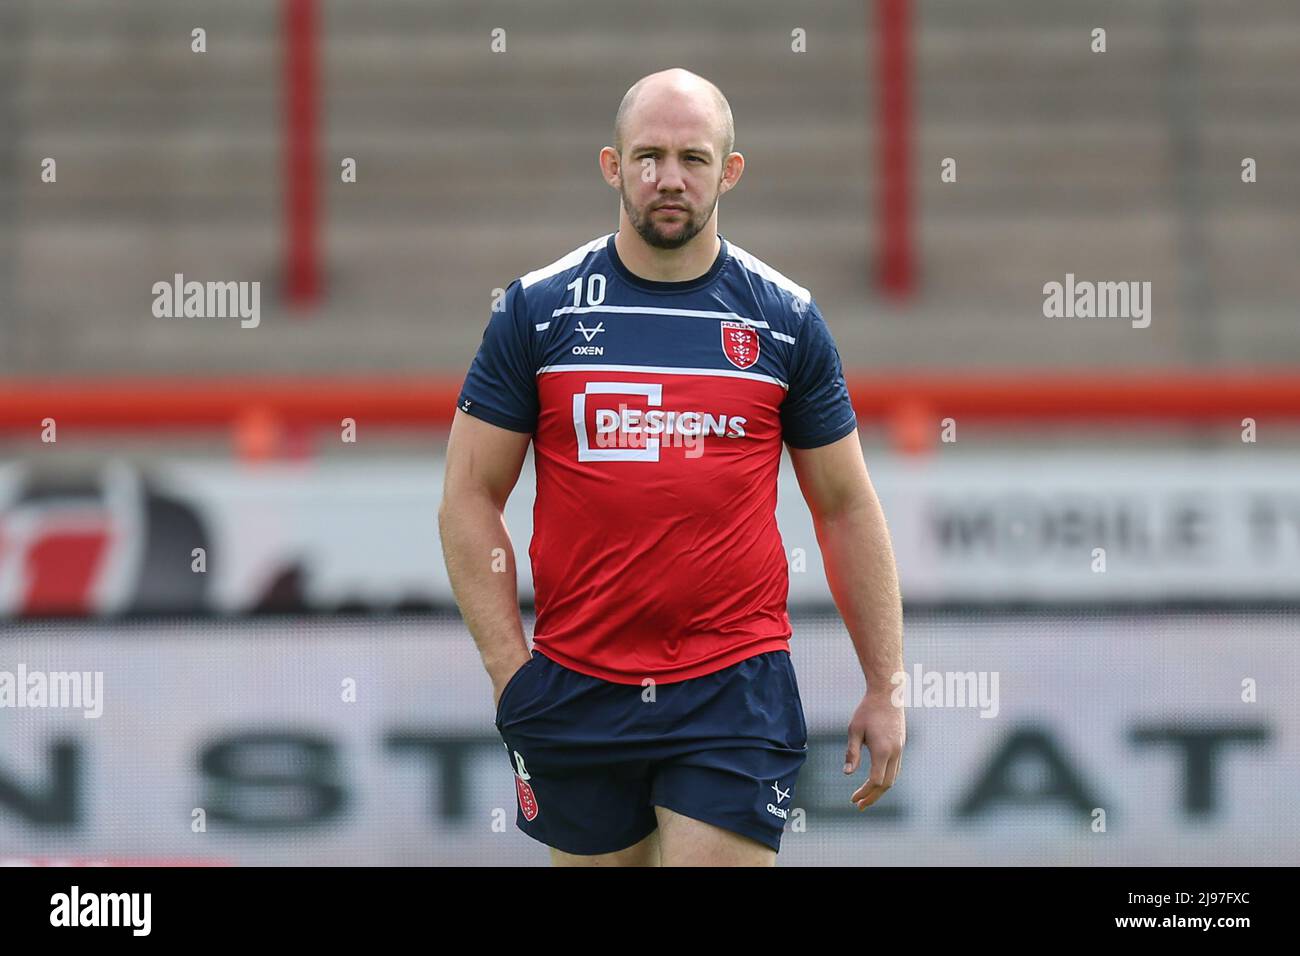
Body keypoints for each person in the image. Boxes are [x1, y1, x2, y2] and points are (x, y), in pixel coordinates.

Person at [440, 68, 904, 866]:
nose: (668, 178)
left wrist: (885, 682)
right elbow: (468, 497)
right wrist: (509, 669)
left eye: (692, 158)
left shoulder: (784, 321)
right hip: (577, 677)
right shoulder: (540, 310)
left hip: (733, 680)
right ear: (612, 166)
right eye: (648, 156)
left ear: (729, 172)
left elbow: (845, 507)